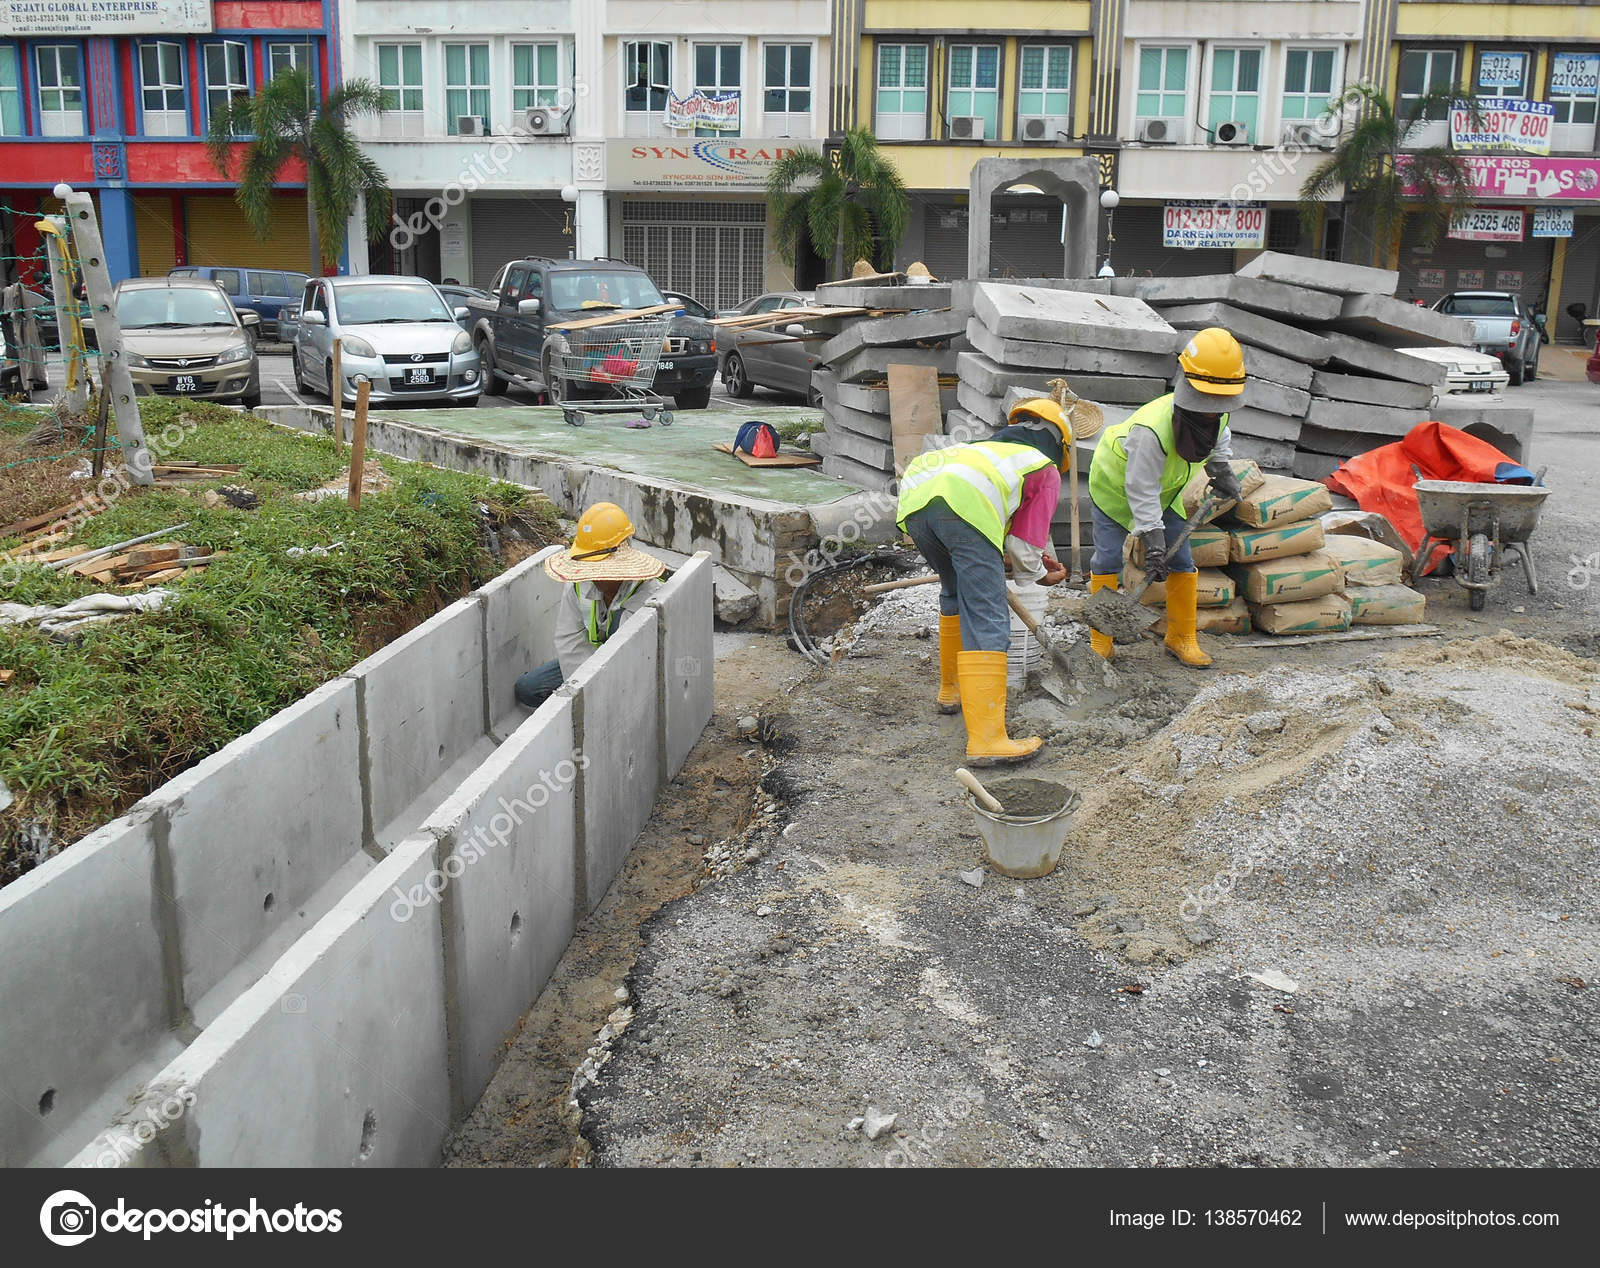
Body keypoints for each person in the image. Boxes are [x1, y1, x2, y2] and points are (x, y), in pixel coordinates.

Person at [896, 399, 1073, 766]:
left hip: (917, 501)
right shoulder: (1044, 467)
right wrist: (1040, 573)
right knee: (989, 614)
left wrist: (1024, 559)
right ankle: (988, 740)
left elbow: (997, 531)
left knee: (955, 592)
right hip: (962, 509)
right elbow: (1023, 547)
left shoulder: (981, 451)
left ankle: (951, 691)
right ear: (1058, 444)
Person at [1086, 326, 1247, 669]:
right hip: (1114, 487)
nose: (1213, 410)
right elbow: (1140, 488)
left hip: (1165, 492)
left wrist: (1222, 471)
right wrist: (1152, 538)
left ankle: (1181, 637)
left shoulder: (1218, 414)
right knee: (1108, 559)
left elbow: (1219, 441)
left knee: (1182, 561)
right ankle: (1100, 641)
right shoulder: (1151, 430)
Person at [514, 502, 666, 708]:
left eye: (599, 568)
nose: (593, 576)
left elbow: (630, 658)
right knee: (528, 688)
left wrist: (607, 697)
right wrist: (581, 694)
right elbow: (569, 643)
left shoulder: (647, 593)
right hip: (590, 660)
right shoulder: (577, 586)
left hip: (632, 667)